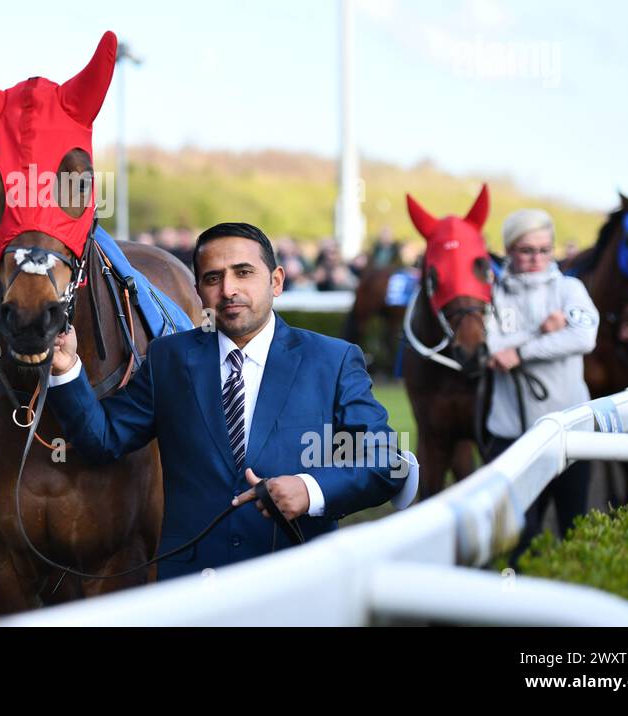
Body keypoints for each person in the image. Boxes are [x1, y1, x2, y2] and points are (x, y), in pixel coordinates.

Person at [46, 221, 408, 580]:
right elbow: (102, 438)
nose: (229, 289)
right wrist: (66, 370)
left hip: (300, 587)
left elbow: (384, 463)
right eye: (213, 278)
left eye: (244, 272)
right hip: (192, 594)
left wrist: (311, 490)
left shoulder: (333, 360)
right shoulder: (167, 358)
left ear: (276, 280)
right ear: (199, 291)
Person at [483, 208, 599, 567]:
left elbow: (583, 337)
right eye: (526, 250)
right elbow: (491, 349)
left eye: (544, 250)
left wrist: (521, 349)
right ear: (510, 250)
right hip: (511, 432)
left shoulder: (570, 288)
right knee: (517, 534)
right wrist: (541, 332)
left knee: (573, 525)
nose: (536, 259)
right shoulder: (492, 295)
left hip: (570, 428)